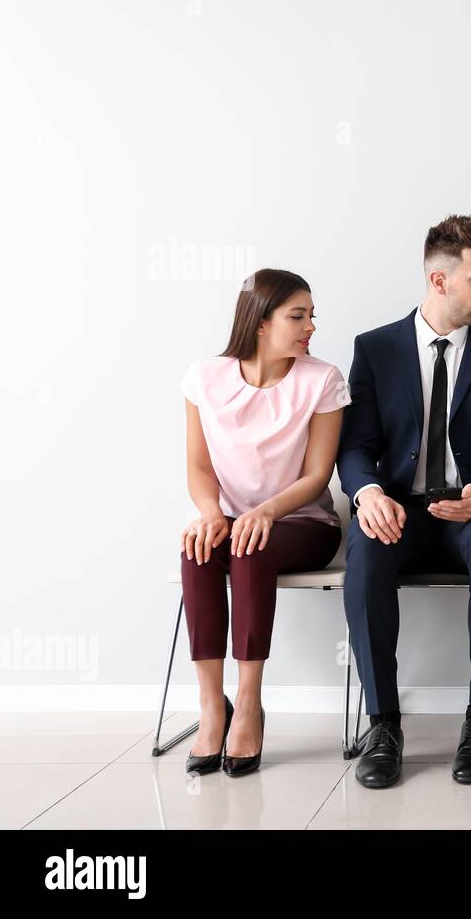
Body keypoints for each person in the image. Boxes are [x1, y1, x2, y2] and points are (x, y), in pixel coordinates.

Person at [338, 214, 471, 788]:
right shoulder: (375, 349)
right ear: (439, 281)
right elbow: (356, 446)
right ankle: (383, 725)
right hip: (400, 509)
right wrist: (369, 492)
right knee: (366, 551)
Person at [179, 269, 350, 776]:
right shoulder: (205, 378)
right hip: (229, 520)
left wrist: (265, 512)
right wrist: (211, 512)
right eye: (297, 316)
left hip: (302, 522)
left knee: (249, 545)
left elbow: (319, 476)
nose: (310, 326)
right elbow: (198, 466)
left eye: (312, 315)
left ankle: (249, 703)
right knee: (198, 546)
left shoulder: (322, 380)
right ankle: (213, 707)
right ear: (259, 322)